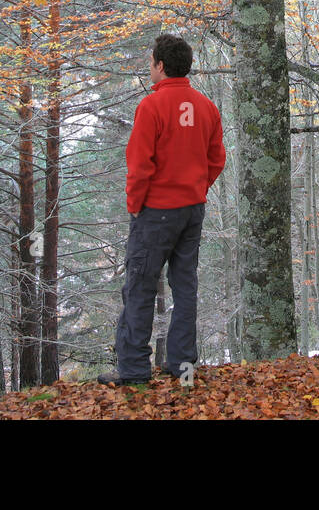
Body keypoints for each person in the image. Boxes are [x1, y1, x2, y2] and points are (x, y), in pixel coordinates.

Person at [98, 33, 225, 387]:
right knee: (184, 285)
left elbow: (140, 166)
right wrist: (197, 188)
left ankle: (134, 371)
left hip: (155, 212)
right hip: (192, 210)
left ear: (162, 65)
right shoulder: (206, 106)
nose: (149, 66)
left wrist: (135, 206)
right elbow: (217, 159)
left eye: (151, 61)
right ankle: (182, 365)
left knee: (139, 286)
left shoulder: (151, 107)